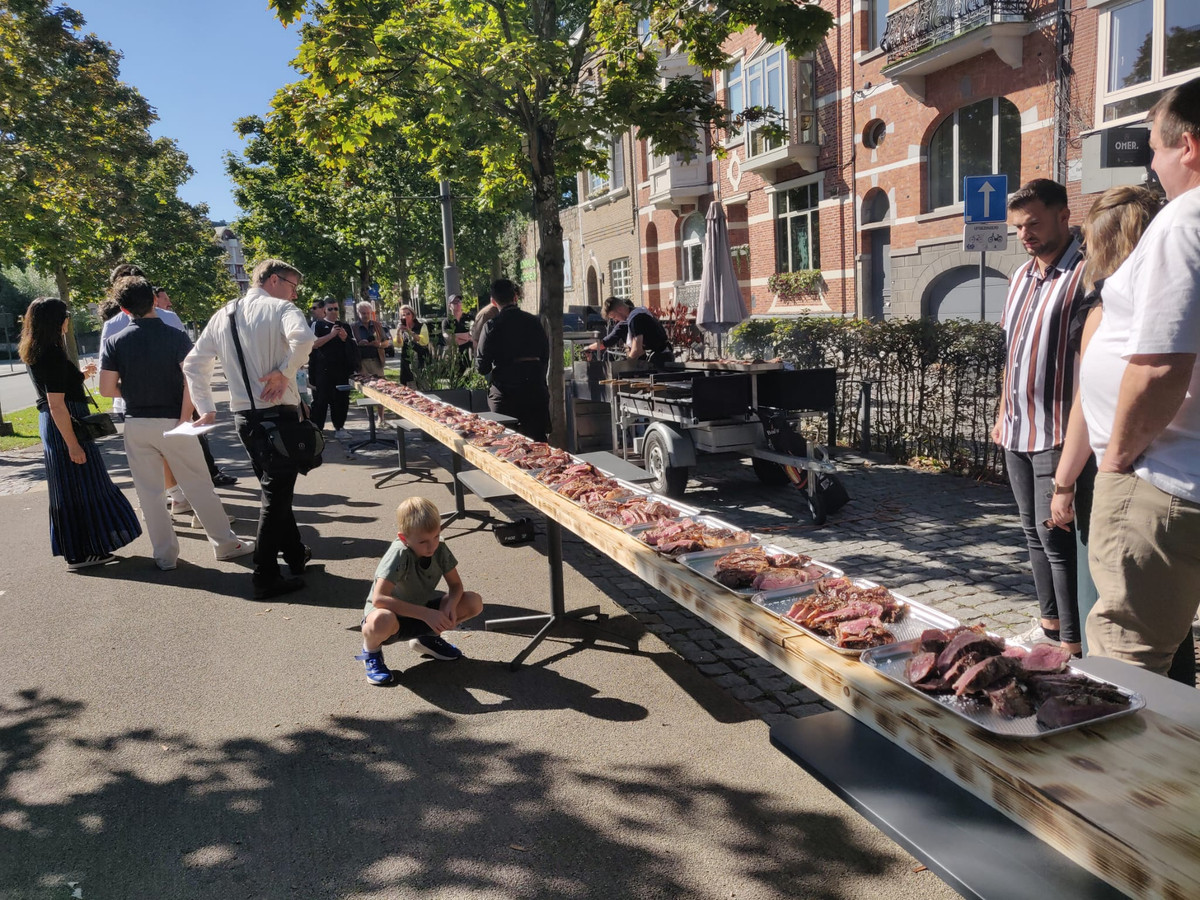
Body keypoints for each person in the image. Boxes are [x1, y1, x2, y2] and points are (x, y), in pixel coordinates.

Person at [1077, 78, 1200, 675]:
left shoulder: (1183, 221)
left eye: (1154, 146)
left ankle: (1117, 772)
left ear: (1189, 147)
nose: (1152, 164)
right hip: (1183, 477)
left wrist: (1116, 462)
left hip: (1162, 480)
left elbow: (1159, 365)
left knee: (1127, 670)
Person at [182, 259, 316, 601]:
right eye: (292, 285)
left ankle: (295, 555)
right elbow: (304, 340)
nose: (295, 294)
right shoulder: (280, 308)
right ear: (273, 279)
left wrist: (207, 407)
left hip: (245, 419)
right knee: (275, 494)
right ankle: (265, 574)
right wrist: (285, 373)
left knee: (276, 489)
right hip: (278, 416)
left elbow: (193, 363)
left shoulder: (223, 314)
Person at [99, 276, 254, 570]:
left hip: (136, 422)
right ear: (154, 300)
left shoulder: (114, 341)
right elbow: (190, 381)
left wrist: (132, 391)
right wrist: (185, 418)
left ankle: (164, 555)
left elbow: (107, 389)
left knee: (149, 493)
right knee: (198, 484)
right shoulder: (175, 336)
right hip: (173, 418)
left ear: (123, 309)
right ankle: (224, 543)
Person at [993, 178, 1087, 655]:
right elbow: (1012, 354)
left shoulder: (1088, 275)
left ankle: (1072, 644)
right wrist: (1000, 410)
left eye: (1033, 223)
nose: (1025, 235)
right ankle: (1049, 626)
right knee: (1031, 532)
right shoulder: (1020, 277)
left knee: (1057, 536)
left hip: (1058, 431)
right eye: (1018, 228)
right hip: (1015, 428)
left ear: (1062, 214)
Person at [19, 297, 141, 570]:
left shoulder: (39, 348)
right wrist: (73, 444)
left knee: (79, 485)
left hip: (60, 424)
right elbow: (55, 404)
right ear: (56, 320)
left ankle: (86, 548)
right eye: (66, 316)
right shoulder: (49, 352)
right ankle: (80, 553)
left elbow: (57, 391)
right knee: (79, 485)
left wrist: (81, 376)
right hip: (65, 426)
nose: (68, 322)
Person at [357, 496, 483, 685]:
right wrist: (427, 614)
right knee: (381, 620)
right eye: (423, 541)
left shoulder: (439, 547)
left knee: (473, 602)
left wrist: (451, 605)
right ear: (404, 538)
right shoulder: (399, 553)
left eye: (436, 536)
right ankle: (371, 652)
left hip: (421, 612)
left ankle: (426, 639)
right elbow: (379, 599)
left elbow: (456, 586)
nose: (432, 545)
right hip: (390, 617)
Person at [476, 278, 551, 441]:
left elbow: (482, 367)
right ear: (515, 297)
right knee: (538, 445)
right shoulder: (535, 322)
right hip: (535, 390)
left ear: (493, 301)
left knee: (504, 442)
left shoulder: (491, 325)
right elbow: (545, 355)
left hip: (506, 393)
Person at [309, 297, 356, 441]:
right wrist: (331, 335)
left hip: (341, 371)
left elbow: (353, 347)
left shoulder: (345, 326)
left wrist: (344, 338)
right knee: (321, 401)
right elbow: (313, 344)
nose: (334, 312)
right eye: (330, 309)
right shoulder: (317, 325)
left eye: (336, 308)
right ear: (324, 310)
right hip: (322, 371)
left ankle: (339, 427)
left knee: (341, 401)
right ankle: (318, 430)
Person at [588, 296, 674, 368]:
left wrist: (625, 367)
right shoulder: (639, 312)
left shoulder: (635, 318)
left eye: (614, 316)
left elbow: (636, 349)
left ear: (620, 309)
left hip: (661, 359)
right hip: (662, 355)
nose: (615, 320)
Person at [395, 304, 430, 385]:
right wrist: (398, 331)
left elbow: (423, 341)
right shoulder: (401, 328)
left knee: (422, 385)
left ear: (412, 315)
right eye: (403, 315)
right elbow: (398, 344)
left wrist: (409, 331)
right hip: (407, 361)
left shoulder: (421, 326)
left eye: (408, 314)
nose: (406, 316)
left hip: (420, 359)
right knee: (409, 389)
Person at [354, 300, 388, 379]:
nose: (366, 315)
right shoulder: (353, 327)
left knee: (380, 385)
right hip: (361, 363)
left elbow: (386, 342)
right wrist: (359, 344)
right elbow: (349, 346)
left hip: (376, 361)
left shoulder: (377, 325)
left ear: (371, 313)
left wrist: (379, 344)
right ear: (358, 313)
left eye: (368, 313)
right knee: (365, 386)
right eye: (363, 313)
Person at [443, 294, 474, 365]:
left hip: (470, 356)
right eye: (455, 302)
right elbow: (449, 339)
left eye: (459, 301)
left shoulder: (469, 318)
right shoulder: (446, 321)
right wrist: (466, 336)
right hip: (454, 358)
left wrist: (456, 335)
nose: (458, 303)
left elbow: (474, 336)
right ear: (449, 305)